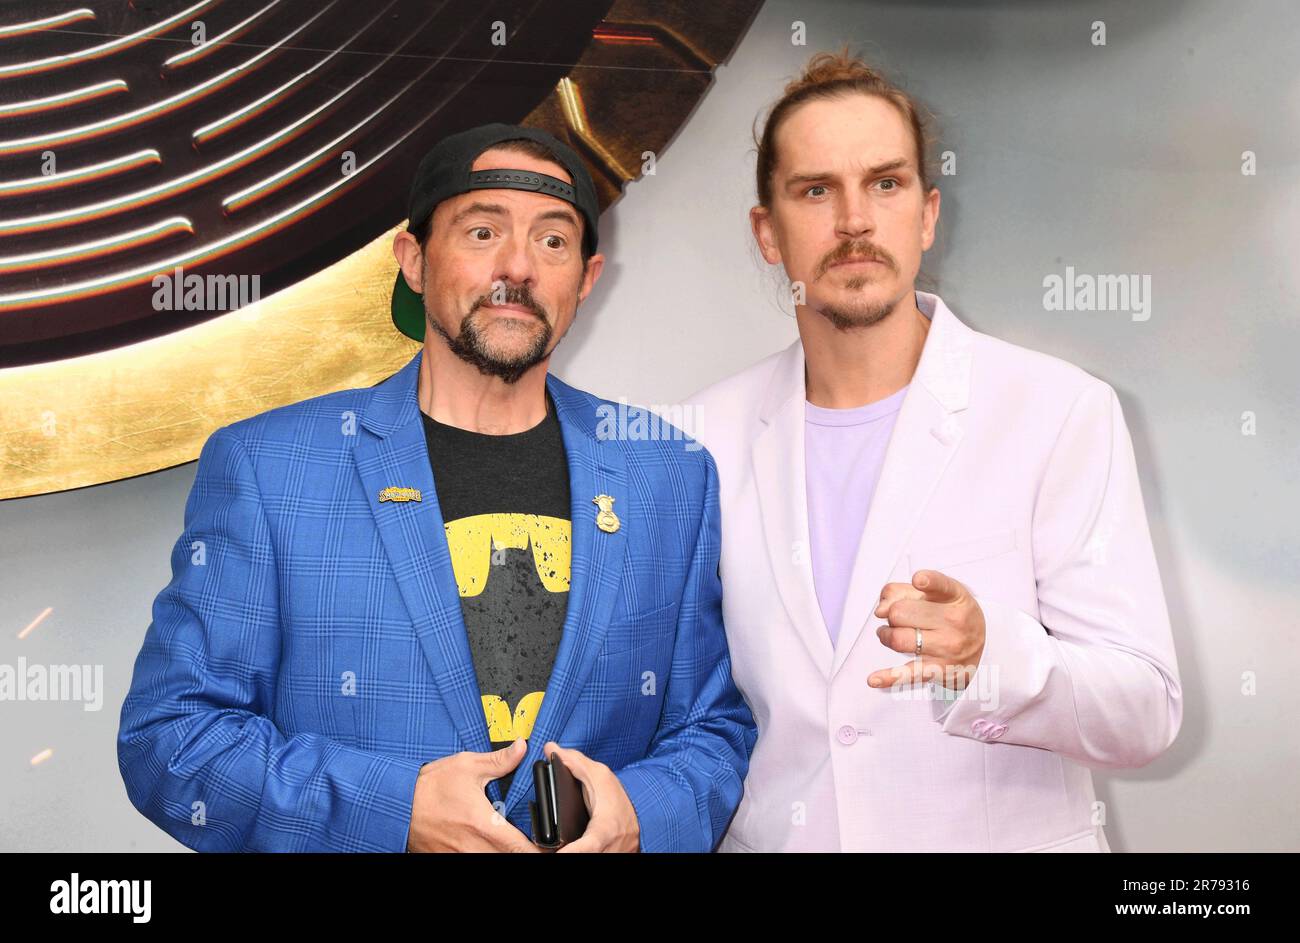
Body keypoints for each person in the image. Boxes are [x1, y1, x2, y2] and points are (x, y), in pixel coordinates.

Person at [119, 123, 755, 853]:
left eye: (553, 241)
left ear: (586, 278)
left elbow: (710, 729)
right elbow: (171, 736)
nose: (518, 266)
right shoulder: (270, 467)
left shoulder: (667, 474)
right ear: (414, 261)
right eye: (483, 232)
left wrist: (639, 813)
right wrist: (392, 812)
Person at [686, 51, 1182, 852]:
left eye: (885, 183)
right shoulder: (701, 437)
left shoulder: (1057, 411)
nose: (854, 221)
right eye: (816, 190)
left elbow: (1145, 709)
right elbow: (698, 715)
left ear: (926, 215)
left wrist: (993, 655)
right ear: (767, 232)